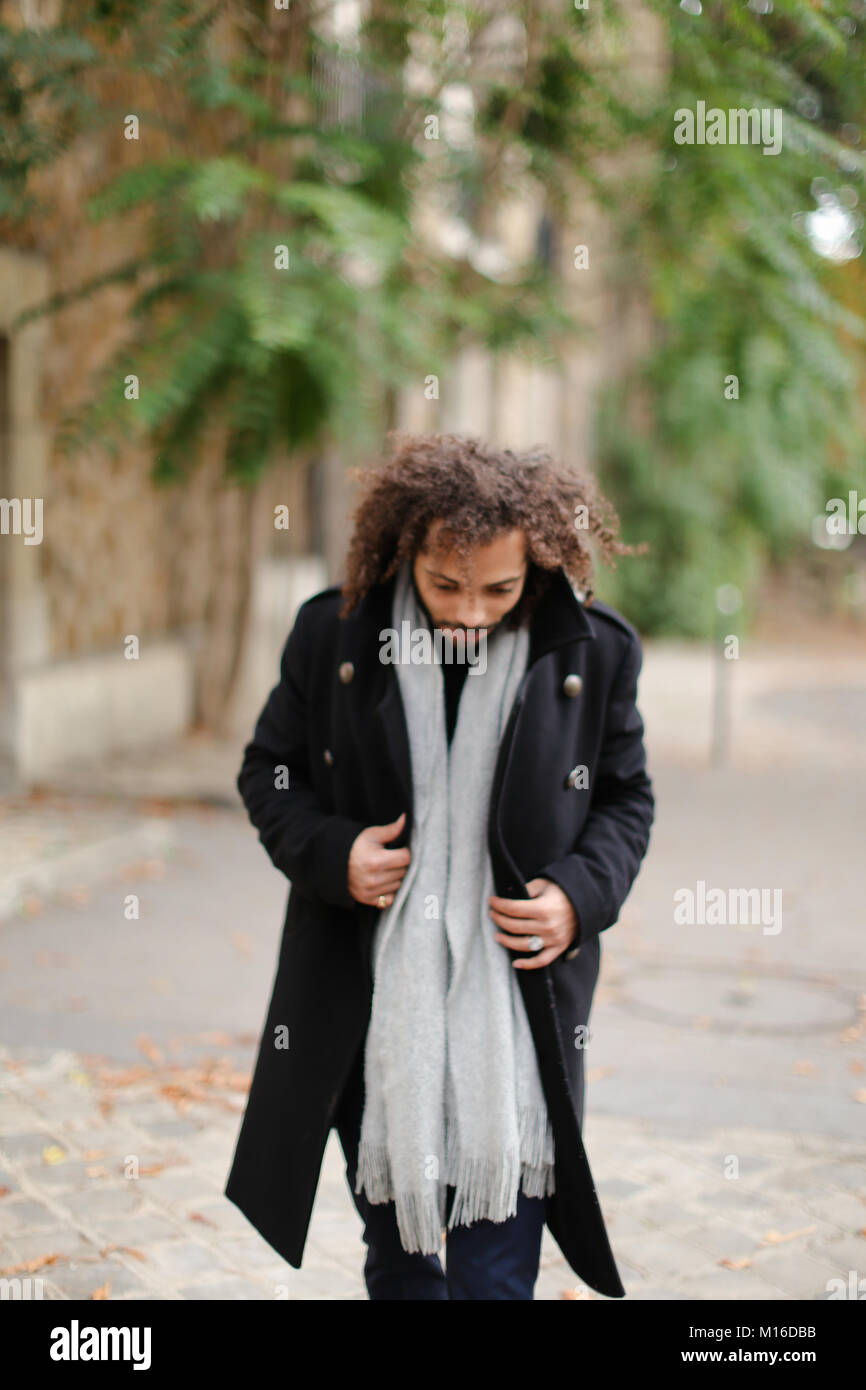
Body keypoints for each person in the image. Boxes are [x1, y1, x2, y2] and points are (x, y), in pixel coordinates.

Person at [225, 432, 655, 1300]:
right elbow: (269, 773)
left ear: (535, 563)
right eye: (445, 585)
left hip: (517, 1017)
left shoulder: (592, 649)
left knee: (495, 1278)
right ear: (405, 553)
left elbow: (625, 800)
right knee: (401, 1265)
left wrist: (577, 896)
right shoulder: (334, 634)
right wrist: (333, 853)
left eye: (498, 589)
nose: (468, 613)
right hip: (369, 1009)